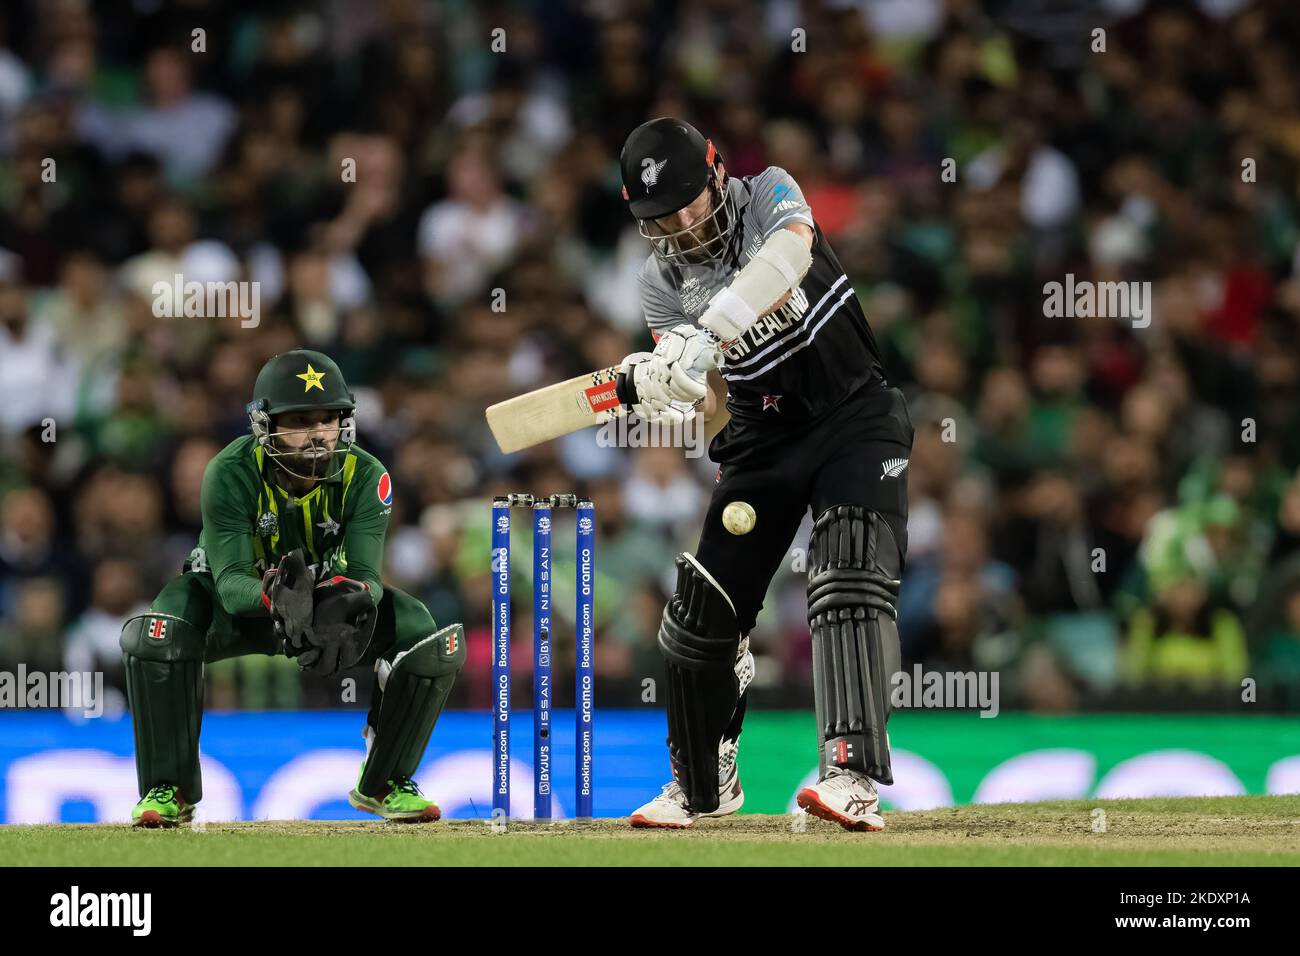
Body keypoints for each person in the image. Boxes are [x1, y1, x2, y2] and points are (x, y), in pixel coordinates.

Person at [615, 118, 913, 831]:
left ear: (718, 176)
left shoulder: (769, 193)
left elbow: (788, 258)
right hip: (761, 440)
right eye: (661, 219)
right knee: (698, 619)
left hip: (853, 417)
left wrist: (706, 332)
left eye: (690, 203)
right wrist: (667, 391)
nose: (683, 227)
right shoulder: (659, 284)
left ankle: (851, 773)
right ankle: (700, 784)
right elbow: (710, 401)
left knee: (845, 576)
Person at [119, 349, 465, 826]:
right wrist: (278, 597)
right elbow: (230, 582)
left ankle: (385, 783)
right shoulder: (230, 471)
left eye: (329, 419)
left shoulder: (367, 475)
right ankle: (168, 790)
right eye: (300, 420)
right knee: (157, 631)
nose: (318, 434)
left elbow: (369, 577)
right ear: (265, 425)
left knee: (427, 637)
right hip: (236, 612)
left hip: (321, 614)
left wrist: (344, 599)